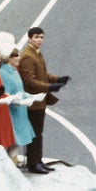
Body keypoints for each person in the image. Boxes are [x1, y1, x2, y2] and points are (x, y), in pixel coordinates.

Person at [19, 27, 69, 174]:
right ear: (29, 38)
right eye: (36, 37)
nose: (39, 40)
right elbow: (30, 81)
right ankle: (33, 163)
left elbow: (42, 73)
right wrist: (50, 87)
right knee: (35, 133)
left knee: (38, 132)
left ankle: (37, 160)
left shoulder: (35, 53)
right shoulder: (28, 56)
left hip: (39, 101)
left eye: (41, 37)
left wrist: (57, 79)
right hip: (34, 101)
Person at [0, 36, 35, 163]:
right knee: (12, 143)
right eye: (15, 55)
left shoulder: (13, 71)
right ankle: (11, 167)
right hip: (12, 112)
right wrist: (20, 100)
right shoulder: (4, 73)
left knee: (16, 144)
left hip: (19, 111)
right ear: (7, 57)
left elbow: (19, 91)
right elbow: (6, 93)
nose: (18, 58)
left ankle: (13, 166)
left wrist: (31, 97)